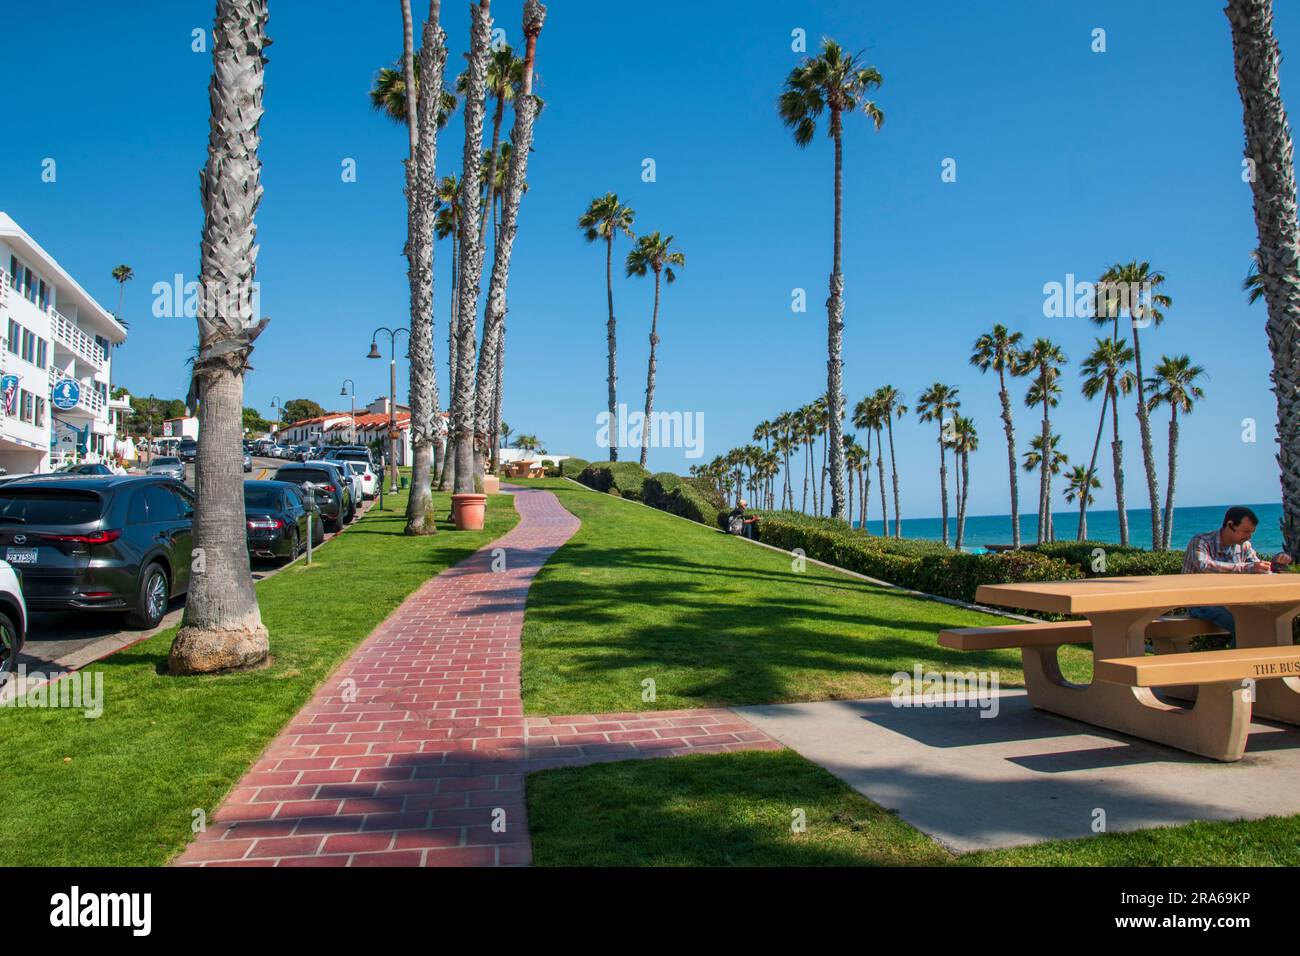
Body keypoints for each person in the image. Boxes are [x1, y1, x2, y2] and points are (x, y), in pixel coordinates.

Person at [1181, 505, 1293, 644]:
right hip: (1200, 602)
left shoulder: (1244, 546)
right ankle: (1244, 663)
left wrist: (1276, 564)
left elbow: (1256, 568)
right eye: (1245, 531)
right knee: (1242, 623)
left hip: (1233, 602)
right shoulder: (1201, 541)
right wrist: (1247, 568)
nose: (1249, 537)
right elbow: (1205, 565)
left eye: (1251, 532)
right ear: (1230, 525)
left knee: (1265, 618)